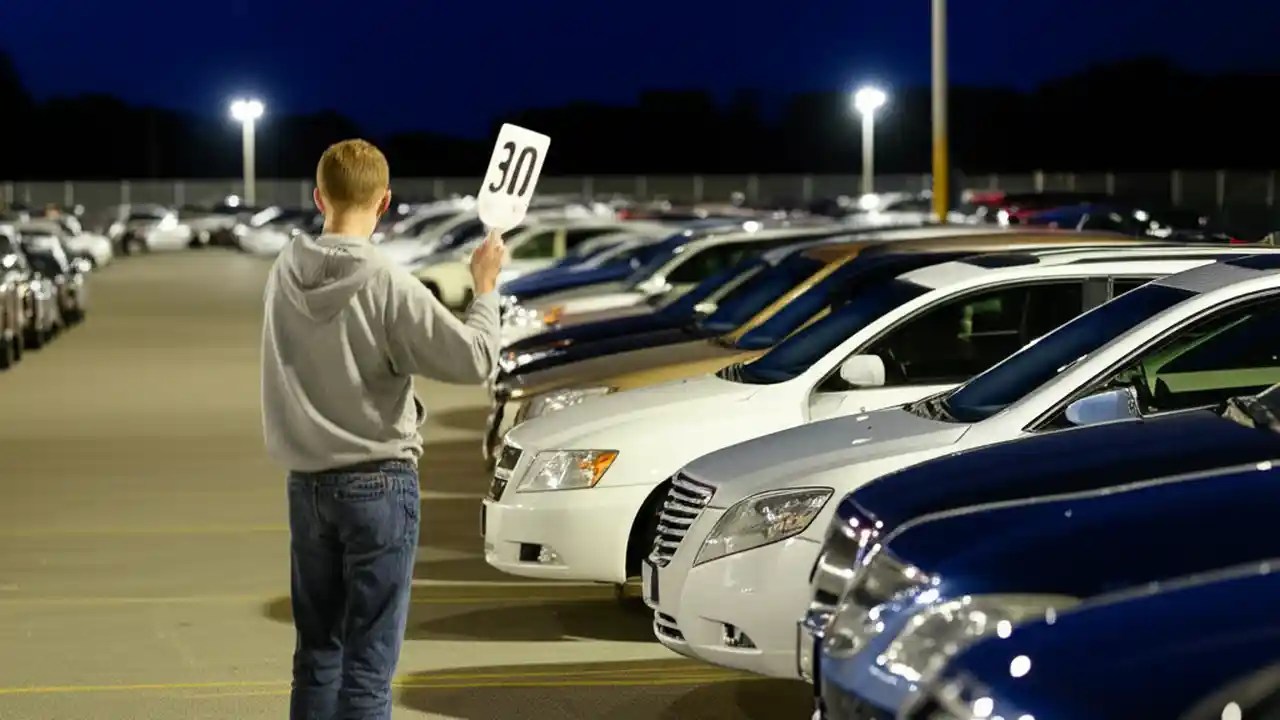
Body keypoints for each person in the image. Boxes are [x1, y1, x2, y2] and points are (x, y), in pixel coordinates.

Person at [260, 138, 503, 720]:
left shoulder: (283, 272)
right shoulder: (386, 281)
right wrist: (486, 287)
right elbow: (474, 360)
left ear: (319, 197)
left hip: (306, 485)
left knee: (317, 655)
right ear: (386, 201)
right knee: (367, 670)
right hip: (377, 485)